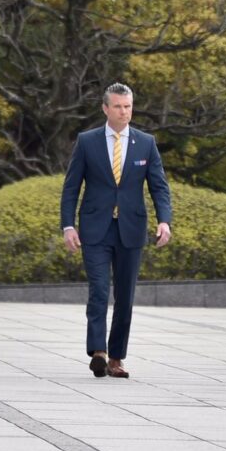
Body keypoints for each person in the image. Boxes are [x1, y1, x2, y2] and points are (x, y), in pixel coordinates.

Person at [61, 83, 173, 379]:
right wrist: (68, 225)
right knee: (98, 290)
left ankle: (116, 358)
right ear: (105, 108)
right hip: (95, 228)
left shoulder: (146, 143)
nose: (125, 112)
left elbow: (159, 186)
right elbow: (71, 186)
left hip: (131, 229)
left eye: (128, 107)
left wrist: (164, 221)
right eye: (119, 107)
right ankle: (97, 351)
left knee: (125, 296)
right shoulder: (87, 142)